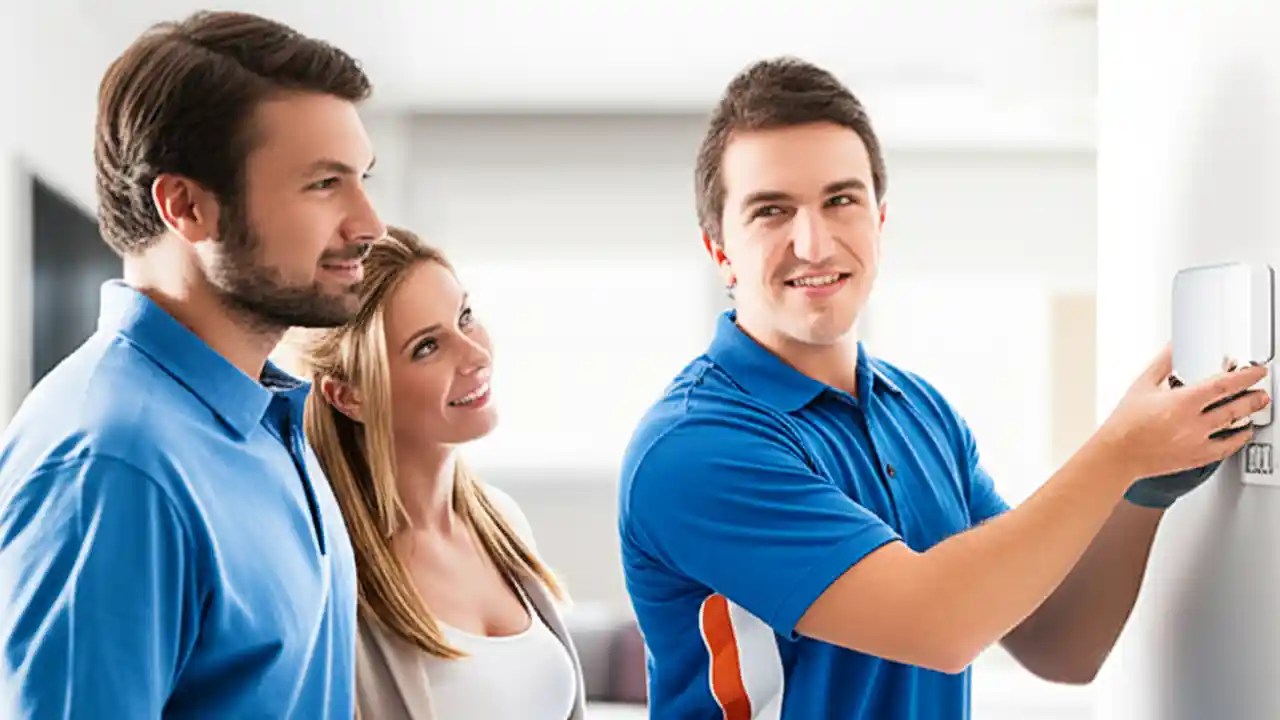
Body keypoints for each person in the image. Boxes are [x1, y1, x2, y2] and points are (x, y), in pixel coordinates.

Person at [617, 57, 1271, 720]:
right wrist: (1119, 451)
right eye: (771, 211)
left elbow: (1059, 646)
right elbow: (939, 626)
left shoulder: (920, 412)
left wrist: (1141, 491)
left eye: (841, 200)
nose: (812, 243)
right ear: (720, 250)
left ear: (880, 221)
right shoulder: (693, 448)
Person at [0, 11, 384, 718]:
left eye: (361, 178)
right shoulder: (115, 463)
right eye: (324, 184)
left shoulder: (267, 423)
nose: (369, 224)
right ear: (186, 207)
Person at [280, 226, 586, 720]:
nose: (477, 355)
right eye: (427, 347)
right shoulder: (326, 575)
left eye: (465, 317)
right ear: (349, 394)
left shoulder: (501, 520)